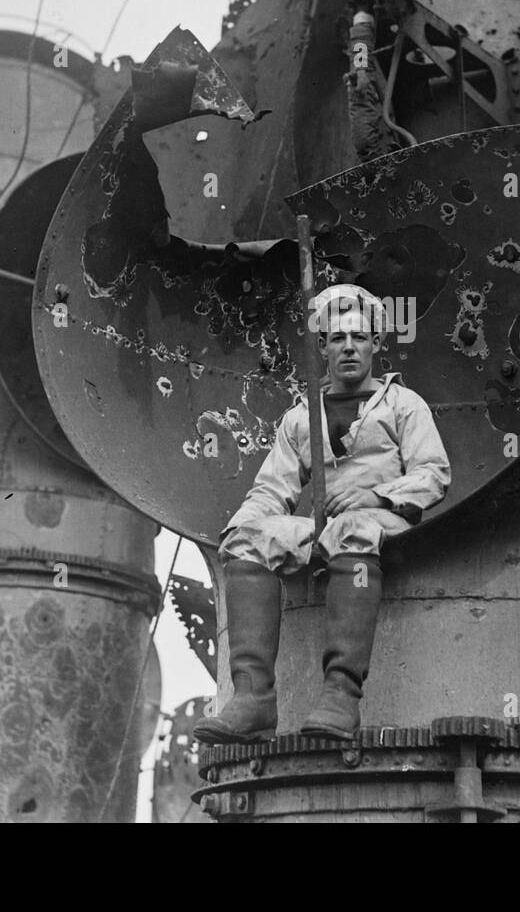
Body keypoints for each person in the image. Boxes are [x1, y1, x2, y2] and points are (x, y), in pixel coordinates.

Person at [193, 283, 451, 743]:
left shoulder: (403, 405)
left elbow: (433, 474)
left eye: (359, 337)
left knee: (352, 528)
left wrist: (376, 497)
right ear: (322, 348)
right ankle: (253, 702)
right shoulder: (299, 417)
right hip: (326, 528)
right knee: (249, 539)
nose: (348, 347)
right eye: (337, 338)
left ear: (376, 344)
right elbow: (272, 489)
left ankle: (341, 698)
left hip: (384, 520)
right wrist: (243, 528)